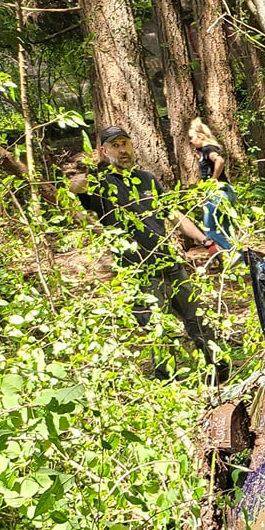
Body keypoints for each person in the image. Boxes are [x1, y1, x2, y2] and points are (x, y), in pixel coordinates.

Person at [76, 125, 216, 362]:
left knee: (198, 320)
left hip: (170, 265)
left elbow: (174, 214)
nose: (122, 150)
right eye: (115, 146)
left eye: (125, 144)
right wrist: (88, 169)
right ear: (104, 150)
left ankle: (218, 368)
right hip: (139, 273)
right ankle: (167, 385)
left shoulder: (147, 179)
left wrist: (205, 239)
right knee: (158, 334)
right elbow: (75, 188)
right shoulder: (100, 187)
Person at [187, 115, 239, 258]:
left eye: (192, 138)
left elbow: (220, 161)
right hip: (227, 190)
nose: (191, 141)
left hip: (217, 192)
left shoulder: (208, 149)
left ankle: (233, 253)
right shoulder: (207, 151)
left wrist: (213, 180)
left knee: (209, 229)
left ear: (200, 136)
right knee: (227, 227)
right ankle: (237, 258)